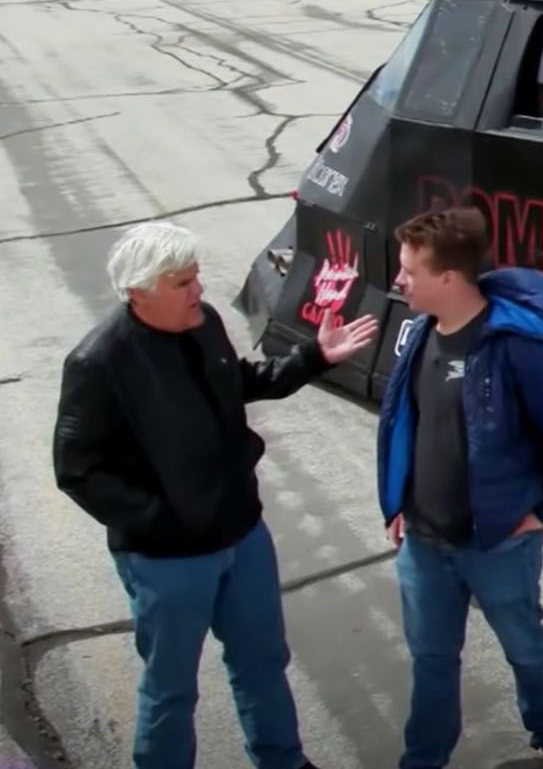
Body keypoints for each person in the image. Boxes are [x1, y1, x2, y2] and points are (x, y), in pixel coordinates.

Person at [51, 220, 380, 769]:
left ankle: (283, 760)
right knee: (172, 688)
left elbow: (240, 381)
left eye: (196, 277)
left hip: (242, 534)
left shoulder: (202, 326)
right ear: (140, 292)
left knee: (263, 661)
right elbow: (78, 470)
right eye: (183, 282)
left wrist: (313, 358)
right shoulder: (99, 363)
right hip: (167, 559)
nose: (198, 290)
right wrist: (163, 520)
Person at [375, 207, 543, 769]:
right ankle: (423, 759)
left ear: (448, 279)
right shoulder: (419, 333)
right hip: (424, 540)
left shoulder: (523, 347)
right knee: (431, 659)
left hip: (500, 541)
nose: (398, 280)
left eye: (409, 270)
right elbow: (407, 424)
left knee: (524, 646)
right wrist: (396, 501)